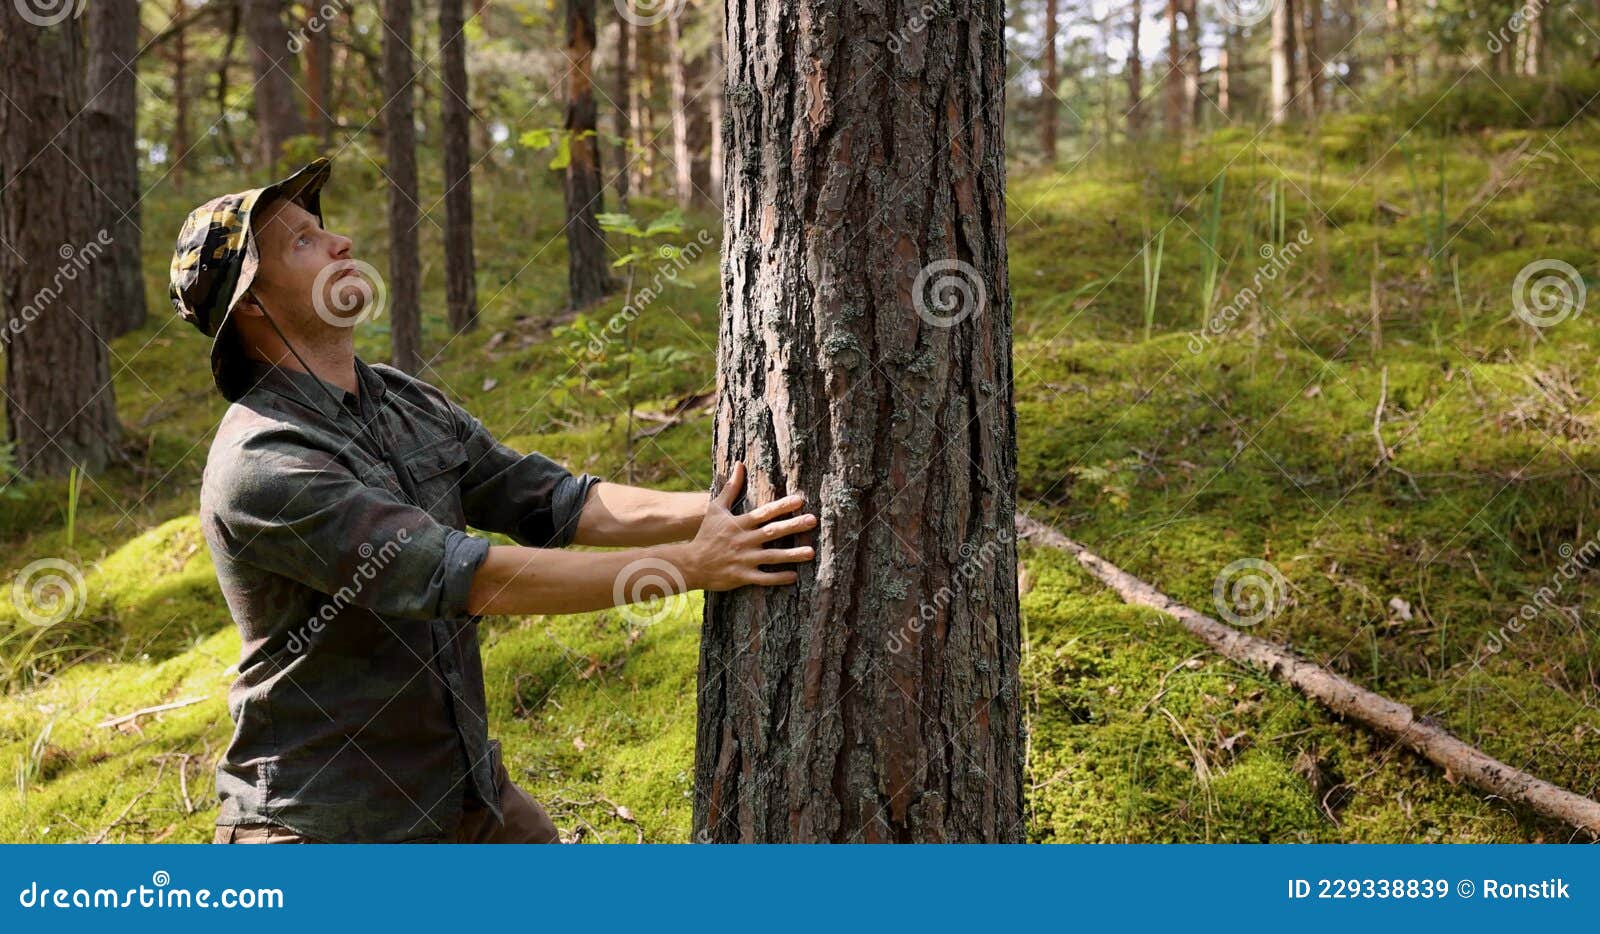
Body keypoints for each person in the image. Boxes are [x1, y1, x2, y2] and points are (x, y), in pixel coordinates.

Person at [169, 157, 815, 843]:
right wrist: (692, 565)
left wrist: (721, 511)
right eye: (301, 242)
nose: (341, 243)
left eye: (321, 229)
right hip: (325, 826)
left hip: (463, 797)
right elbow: (472, 576)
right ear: (253, 305)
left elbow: (553, 501)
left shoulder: (400, 399)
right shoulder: (265, 462)